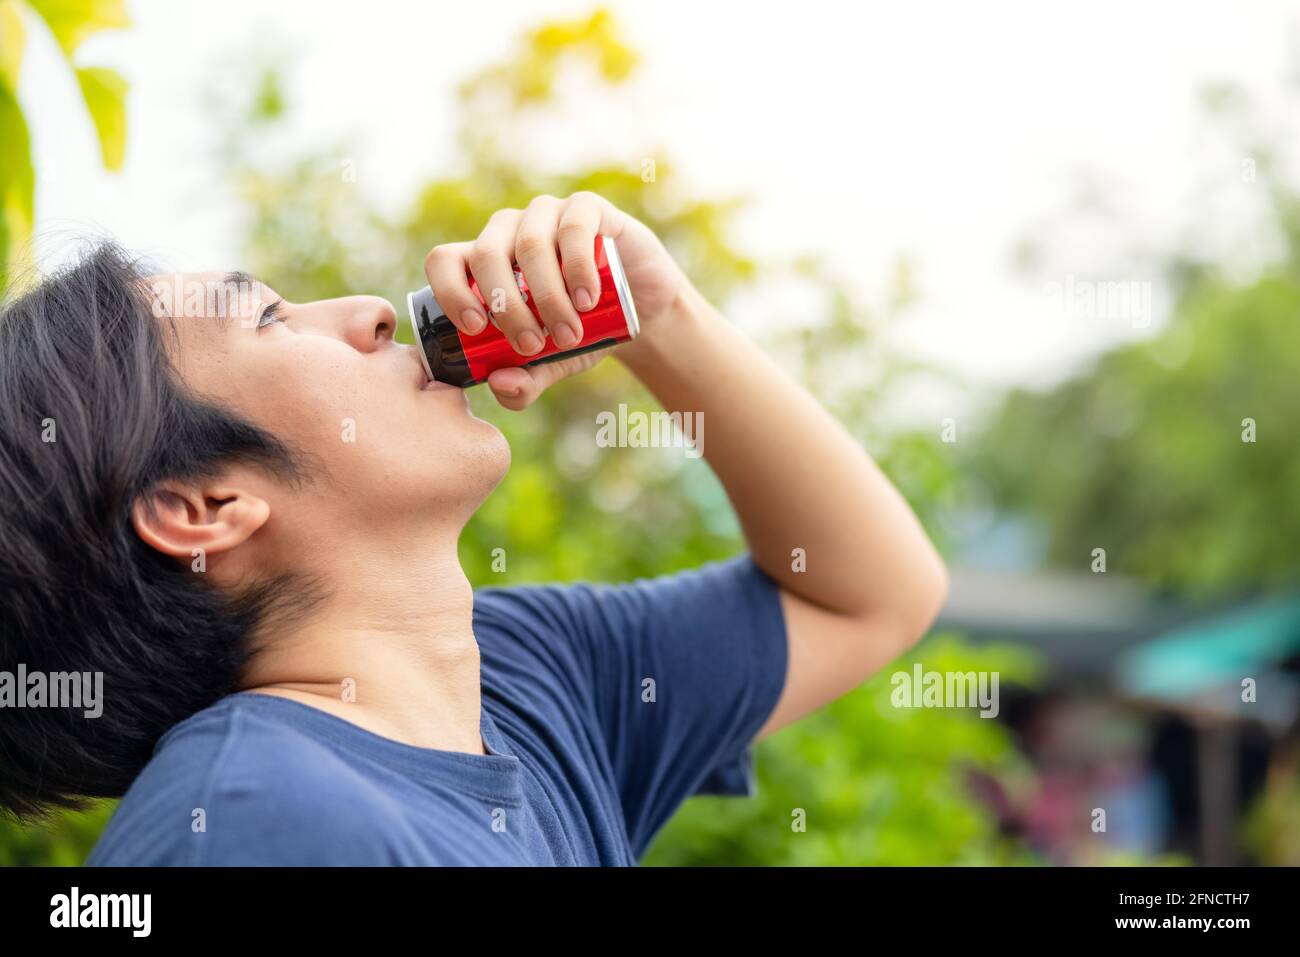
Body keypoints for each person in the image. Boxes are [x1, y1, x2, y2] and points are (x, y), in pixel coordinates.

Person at [0, 192, 947, 865]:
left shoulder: (534, 678)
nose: (371, 315)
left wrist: (660, 317)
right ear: (202, 508)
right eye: (272, 319)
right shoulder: (256, 821)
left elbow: (874, 595)